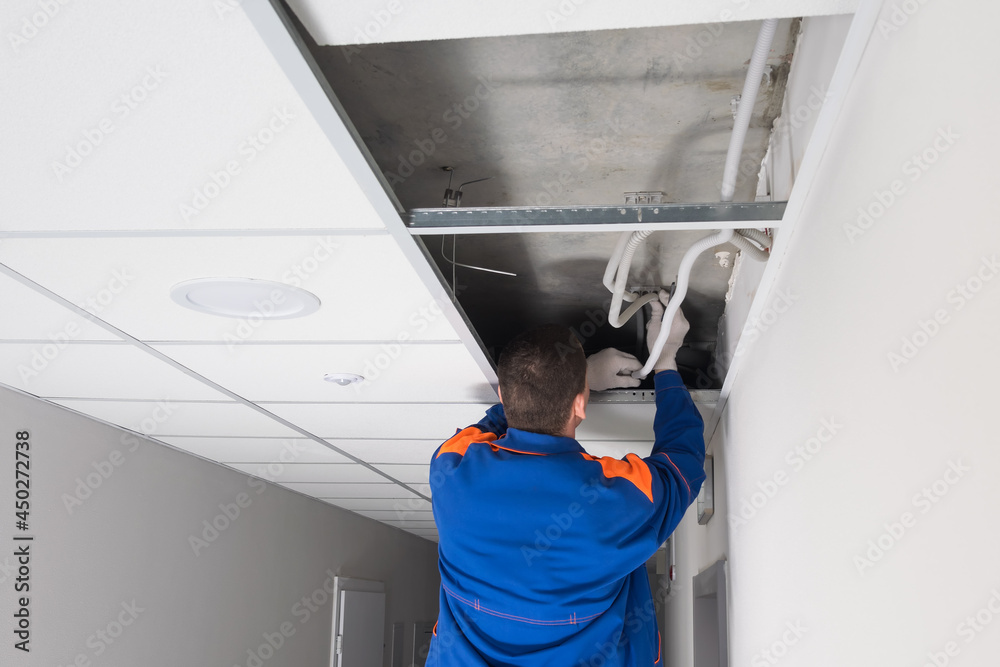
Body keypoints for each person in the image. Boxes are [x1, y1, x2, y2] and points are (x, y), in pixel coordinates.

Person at [426, 291, 706, 666]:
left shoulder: (451, 466)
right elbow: (683, 462)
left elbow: (495, 422)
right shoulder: (619, 501)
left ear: (501, 395)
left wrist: (578, 379)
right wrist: (665, 361)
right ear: (580, 405)